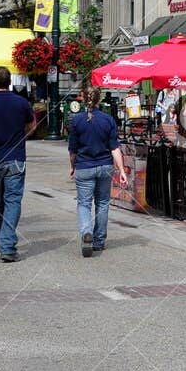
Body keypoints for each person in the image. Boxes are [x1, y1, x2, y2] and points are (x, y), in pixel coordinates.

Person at [0, 66, 41, 263]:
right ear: (10, 82)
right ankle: (7, 246)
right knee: (13, 202)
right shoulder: (21, 103)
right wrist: (21, 138)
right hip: (16, 159)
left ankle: (0, 240)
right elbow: (32, 126)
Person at [68, 85, 125, 258]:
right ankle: (99, 241)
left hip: (84, 166)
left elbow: (73, 149)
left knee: (84, 203)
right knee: (102, 203)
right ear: (99, 99)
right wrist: (122, 170)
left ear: (83, 99)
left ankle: (87, 232)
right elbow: (114, 147)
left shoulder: (77, 120)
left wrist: (72, 166)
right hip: (105, 166)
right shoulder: (108, 120)